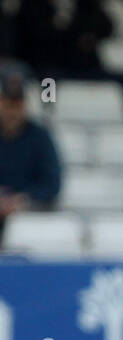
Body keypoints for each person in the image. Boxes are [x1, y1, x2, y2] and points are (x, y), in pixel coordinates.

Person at [0, 70, 61, 246]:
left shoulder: (40, 137)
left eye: (18, 104)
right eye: (7, 104)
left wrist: (23, 199)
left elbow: (52, 184)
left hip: (26, 212)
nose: (13, 111)